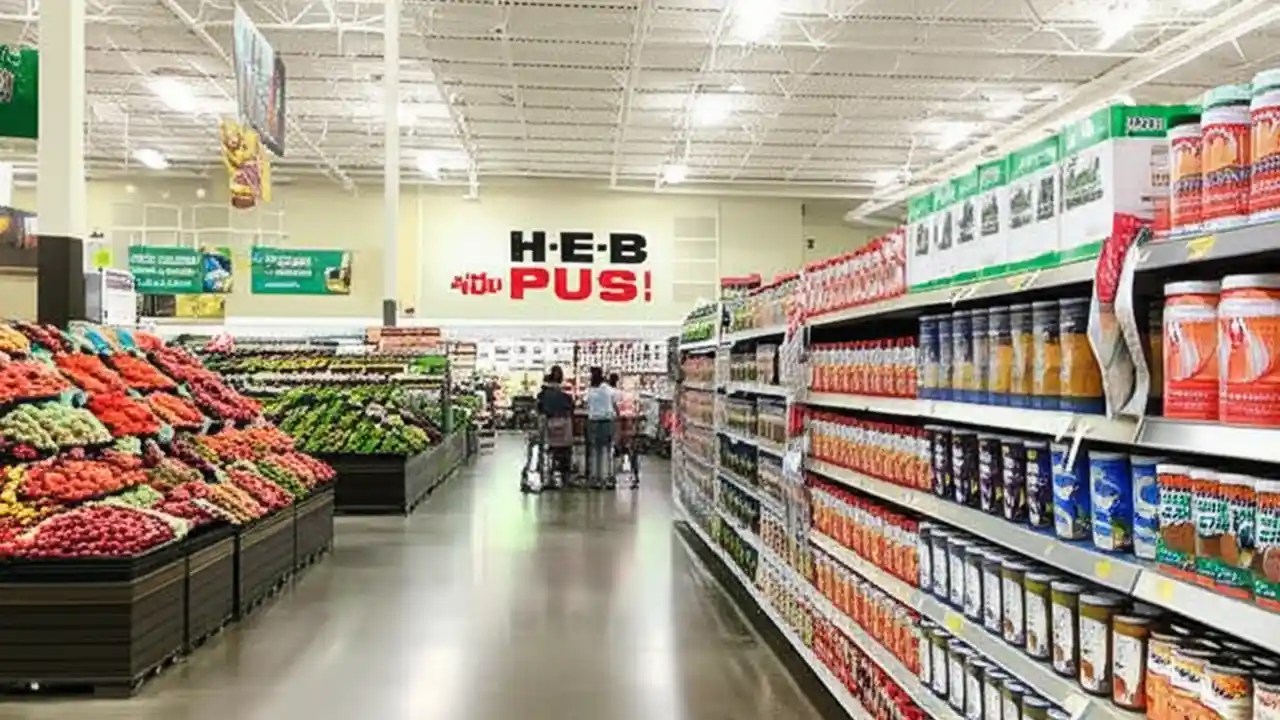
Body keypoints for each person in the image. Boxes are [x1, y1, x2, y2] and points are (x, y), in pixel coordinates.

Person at [533, 366, 573, 489]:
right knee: (563, 452)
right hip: (564, 426)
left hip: (548, 425)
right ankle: (564, 477)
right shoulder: (566, 397)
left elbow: (539, 411)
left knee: (546, 451)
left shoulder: (542, 395)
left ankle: (546, 477)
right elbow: (571, 410)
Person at [584, 366, 618, 488]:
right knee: (607, 450)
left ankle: (595, 478)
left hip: (593, 421)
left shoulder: (590, 391)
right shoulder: (609, 390)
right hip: (607, 421)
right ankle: (607, 477)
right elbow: (615, 404)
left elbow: (585, 403)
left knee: (594, 450)